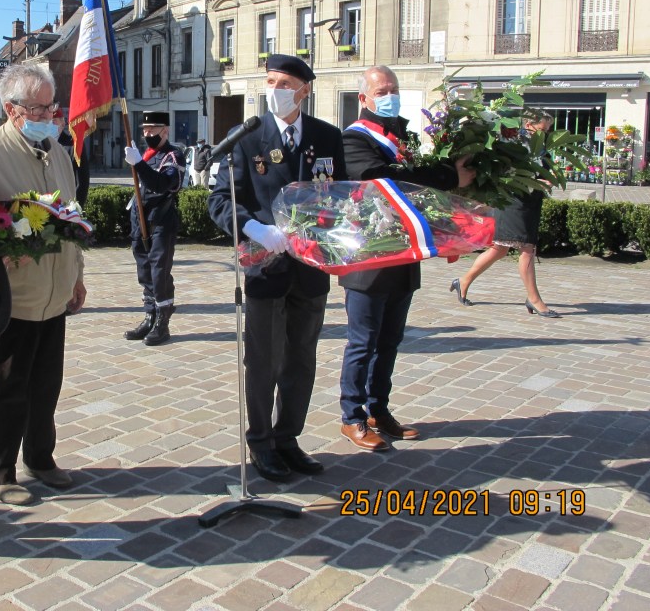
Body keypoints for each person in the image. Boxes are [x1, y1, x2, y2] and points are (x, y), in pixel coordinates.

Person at [0, 63, 86, 507]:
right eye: (41, 107)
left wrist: (77, 275)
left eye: (53, 106)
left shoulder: (58, 151)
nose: (51, 115)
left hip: (55, 294)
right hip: (12, 299)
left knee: (47, 385)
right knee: (8, 387)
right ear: (12, 110)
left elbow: (70, 214)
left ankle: (41, 459)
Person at [207, 54, 346, 482]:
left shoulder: (326, 136)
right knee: (264, 361)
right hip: (266, 268)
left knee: (301, 360)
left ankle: (289, 439)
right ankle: (261, 443)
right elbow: (220, 200)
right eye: (270, 80)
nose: (276, 89)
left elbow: (339, 197)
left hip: (310, 268)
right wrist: (253, 228)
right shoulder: (245, 137)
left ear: (305, 89)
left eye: (285, 82)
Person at [339, 65, 475, 452]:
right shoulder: (354, 138)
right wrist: (449, 177)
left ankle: (379, 411)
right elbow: (382, 178)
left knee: (390, 342)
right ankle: (352, 416)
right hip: (369, 259)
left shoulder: (400, 136)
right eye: (382, 90)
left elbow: (412, 176)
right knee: (362, 343)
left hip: (403, 257)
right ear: (363, 98)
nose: (390, 95)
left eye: (394, 89)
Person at [451, 113, 560, 318]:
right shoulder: (515, 145)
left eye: (547, 130)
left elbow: (543, 171)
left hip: (531, 201)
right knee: (527, 248)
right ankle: (534, 299)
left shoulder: (540, 148)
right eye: (543, 129)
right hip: (514, 201)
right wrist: (536, 182)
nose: (545, 134)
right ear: (529, 124)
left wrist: (550, 178)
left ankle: (463, 281)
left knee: (499, 249)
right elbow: (509, 175)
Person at [122, 111, 185, 346]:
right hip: (140, 218)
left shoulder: (173, 156)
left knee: (159, 271)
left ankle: (162, 320)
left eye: (152, 130)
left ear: (165, 131)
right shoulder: (146, 155)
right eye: (144, 130)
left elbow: (161, 184)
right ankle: (149, 314)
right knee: (144, 270)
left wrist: (138, 163)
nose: (147, 134)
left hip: (161, 219)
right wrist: (139, 161)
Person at [52, 106, 91, 206]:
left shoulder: (74, 145)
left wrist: (75, 209)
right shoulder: (39, 143)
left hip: (67, 206)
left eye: (53, 121)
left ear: (63, 123)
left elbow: (82, 183)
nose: (49, 125)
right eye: (46, 122)